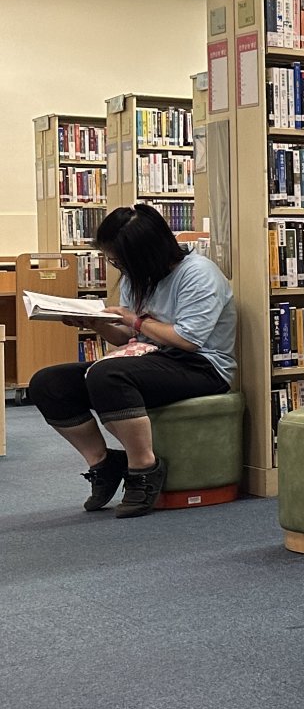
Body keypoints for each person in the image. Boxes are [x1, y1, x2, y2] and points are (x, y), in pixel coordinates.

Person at [27, 204, 235, 518]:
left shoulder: (198, 274)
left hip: (201, 366)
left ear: (144, 254)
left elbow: (187, 340)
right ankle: (103, 462)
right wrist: (98, 324)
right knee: (48, 383)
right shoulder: (137, 276)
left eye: (119, 260)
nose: (117, 266)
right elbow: (127, 338)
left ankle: (144, 468)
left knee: (108, 375)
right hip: (148, 356)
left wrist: (133, 320)